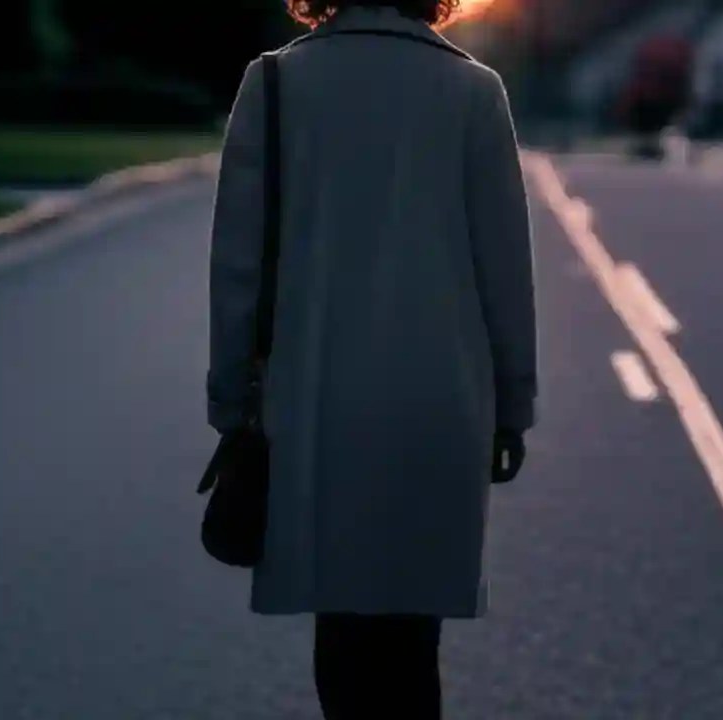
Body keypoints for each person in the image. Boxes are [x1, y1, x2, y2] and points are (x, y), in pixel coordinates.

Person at [207, 1, 538, 717]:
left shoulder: (275, 85)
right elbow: (505, 273)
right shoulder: (474, 91)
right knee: (414, 641)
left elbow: (237, 266)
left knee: (344, 634)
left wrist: (232, 403)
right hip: (437, 399)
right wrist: (513, 407)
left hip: (313, 397)